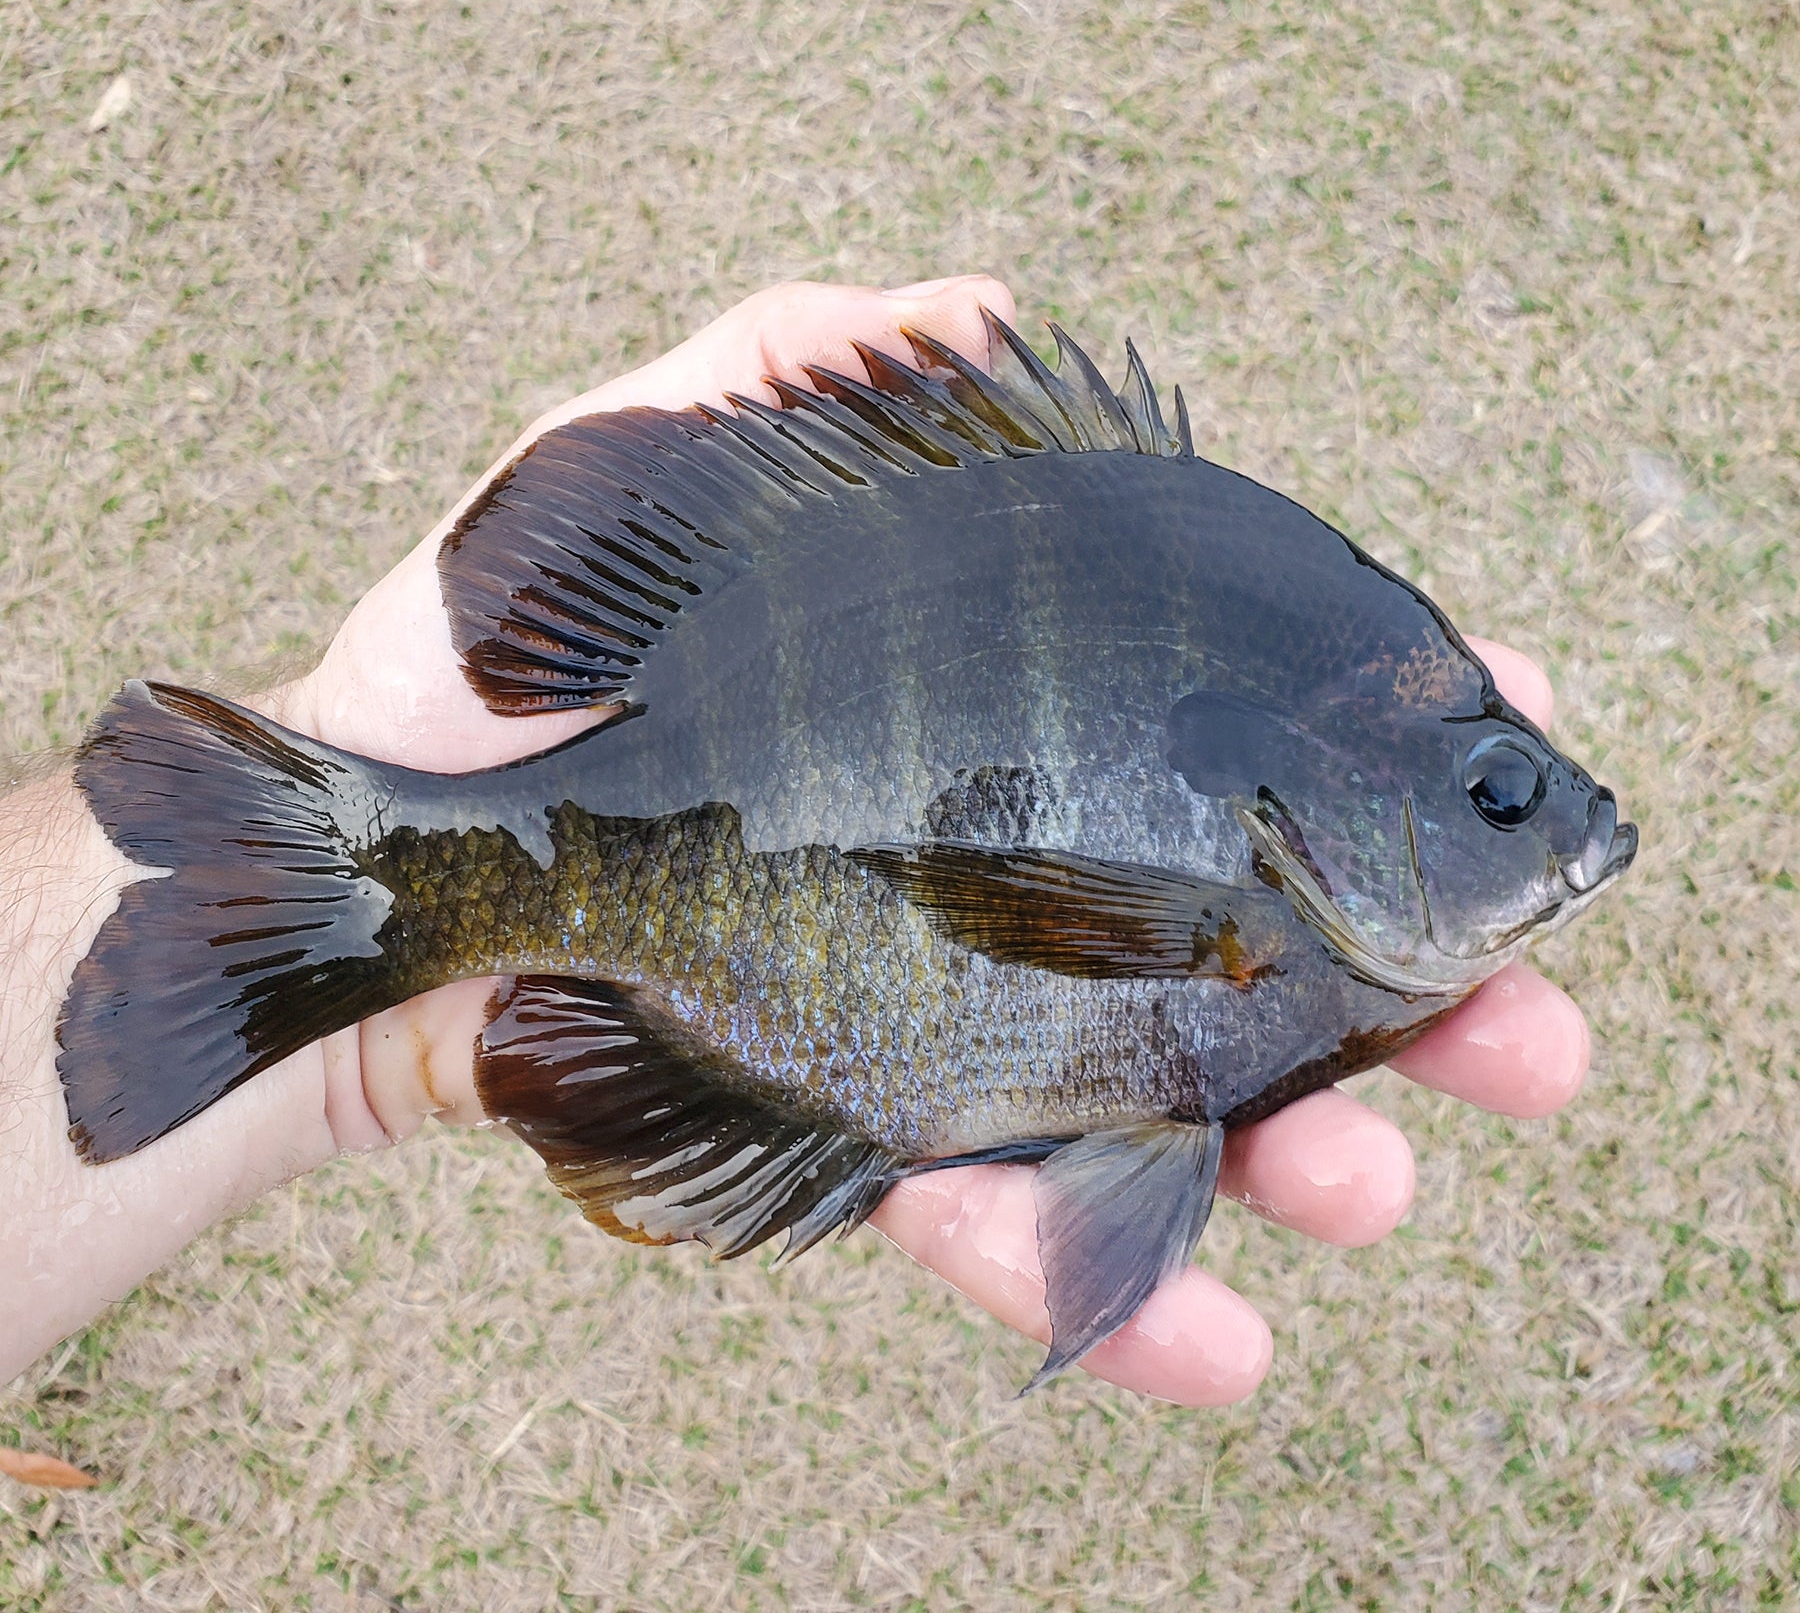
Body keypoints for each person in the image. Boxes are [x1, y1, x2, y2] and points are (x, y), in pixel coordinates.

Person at [0, 276, 1590, 1403]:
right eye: (1497, 793)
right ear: (1320, 783)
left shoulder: (1272, 864)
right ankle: (339, 860)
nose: (1559, 828)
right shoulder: (1272, 826)